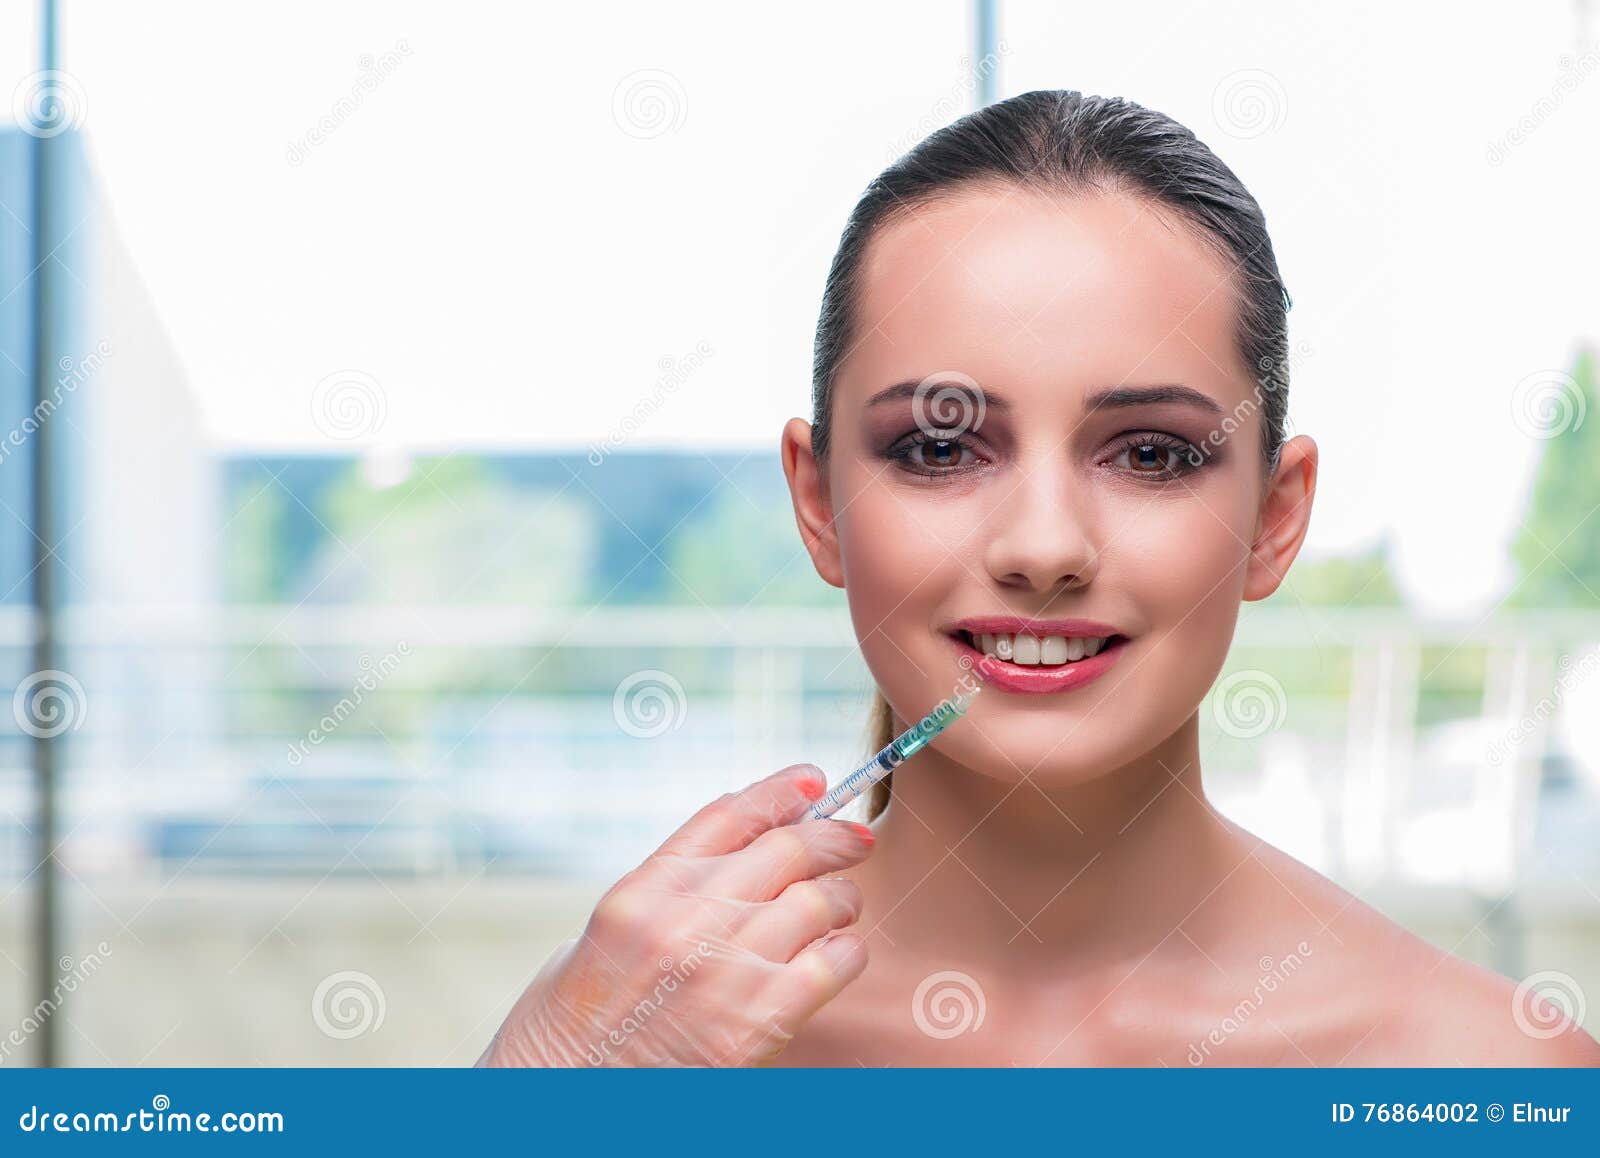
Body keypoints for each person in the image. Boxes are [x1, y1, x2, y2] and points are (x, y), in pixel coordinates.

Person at [479, 89, 1600, 1067]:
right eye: (938, 447)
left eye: (1151, 453)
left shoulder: (1488, 1075)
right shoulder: (626, 1046)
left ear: (1274, 517)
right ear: (819, 502)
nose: (1043, 546)